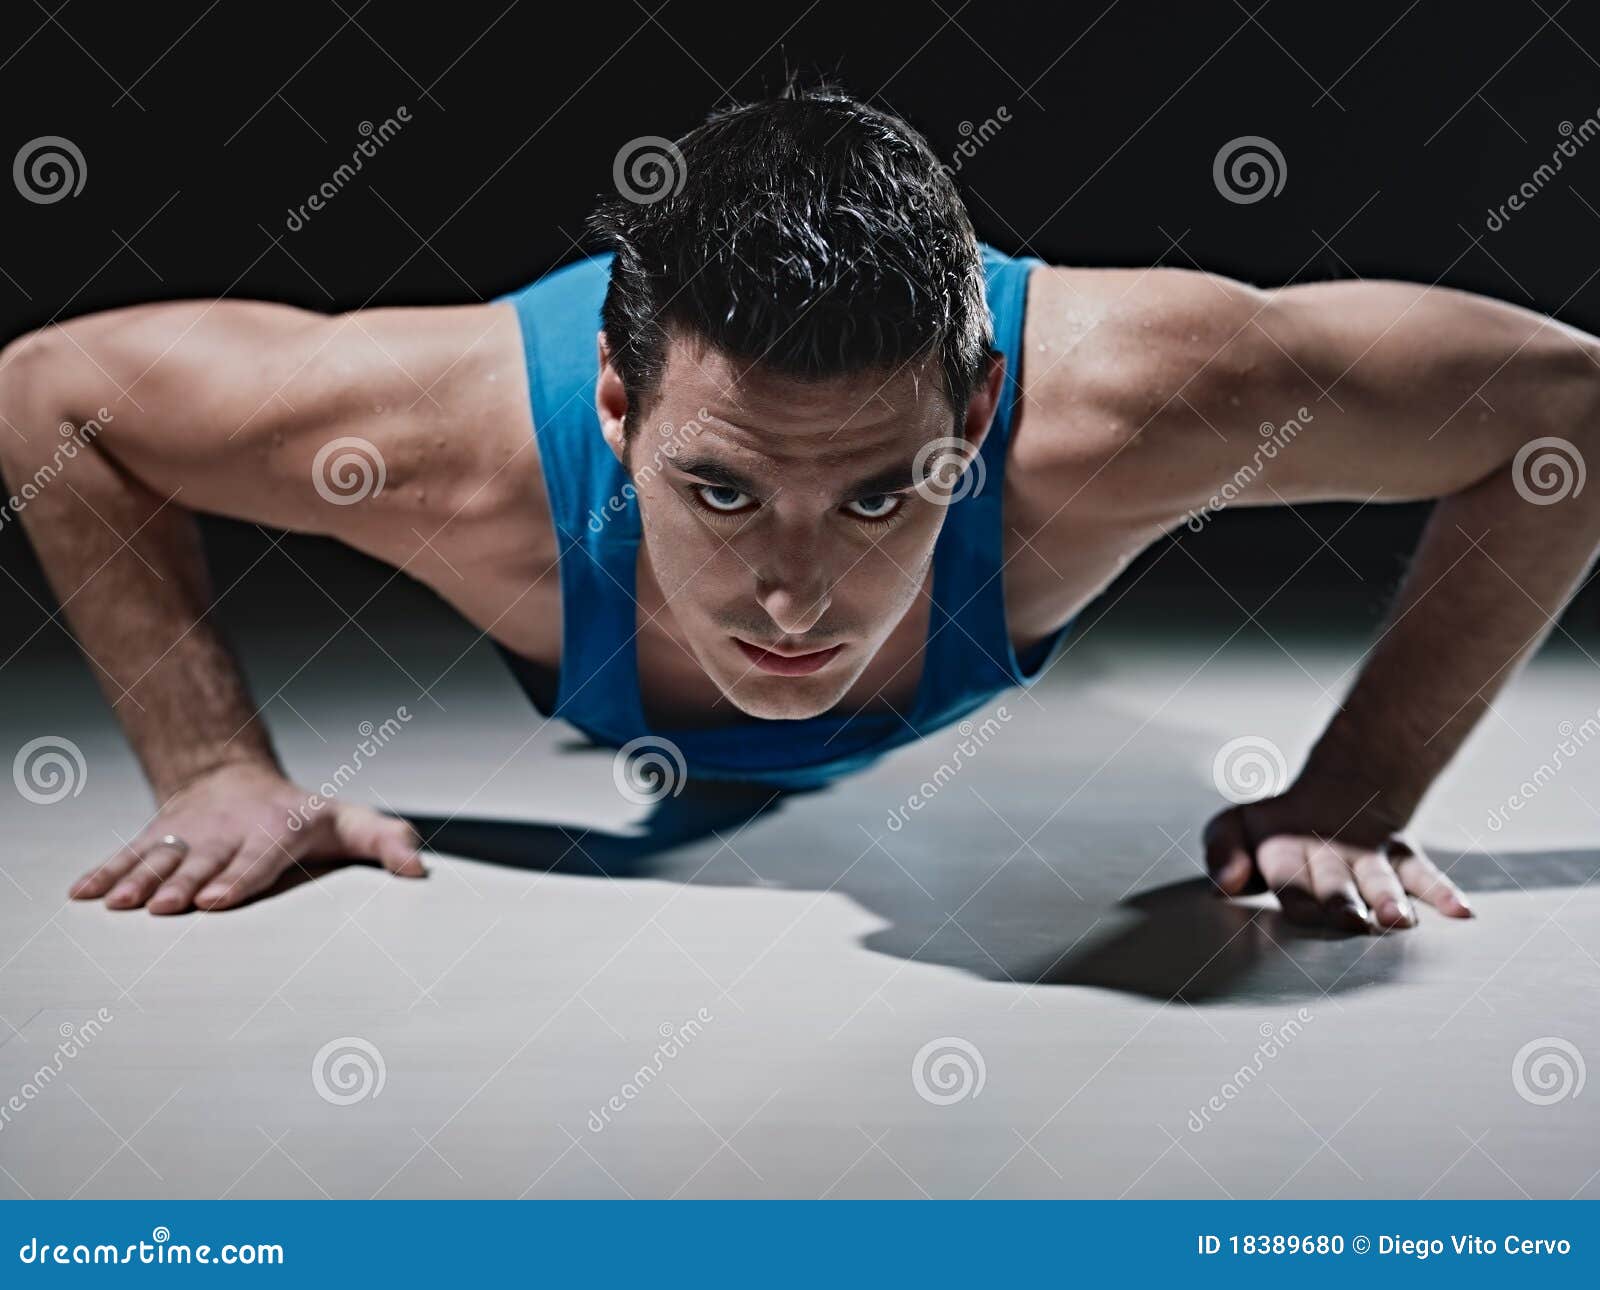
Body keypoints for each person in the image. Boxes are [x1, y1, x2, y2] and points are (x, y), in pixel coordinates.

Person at [3, 83, 1596, 932]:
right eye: (721, 489)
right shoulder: (447, 447)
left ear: (977, 417)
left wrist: (1356, 786)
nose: (793, 595)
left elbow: (1569, 417)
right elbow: (53, 391)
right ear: (616, 418)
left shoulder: (1148, 403)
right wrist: (210, 763)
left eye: (882, 492)